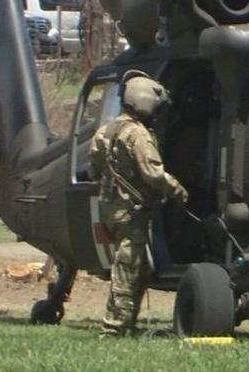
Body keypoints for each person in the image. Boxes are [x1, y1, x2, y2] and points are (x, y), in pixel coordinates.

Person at [90, 71, 188, 337]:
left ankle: (126, 324)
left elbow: (94, 168)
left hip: (110, 209)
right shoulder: (137, 134)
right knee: (127, 270)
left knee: (138, 269)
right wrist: (177, 189)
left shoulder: (105, 131)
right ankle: (113, 329)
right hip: (130, 211)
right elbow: (153, 173)